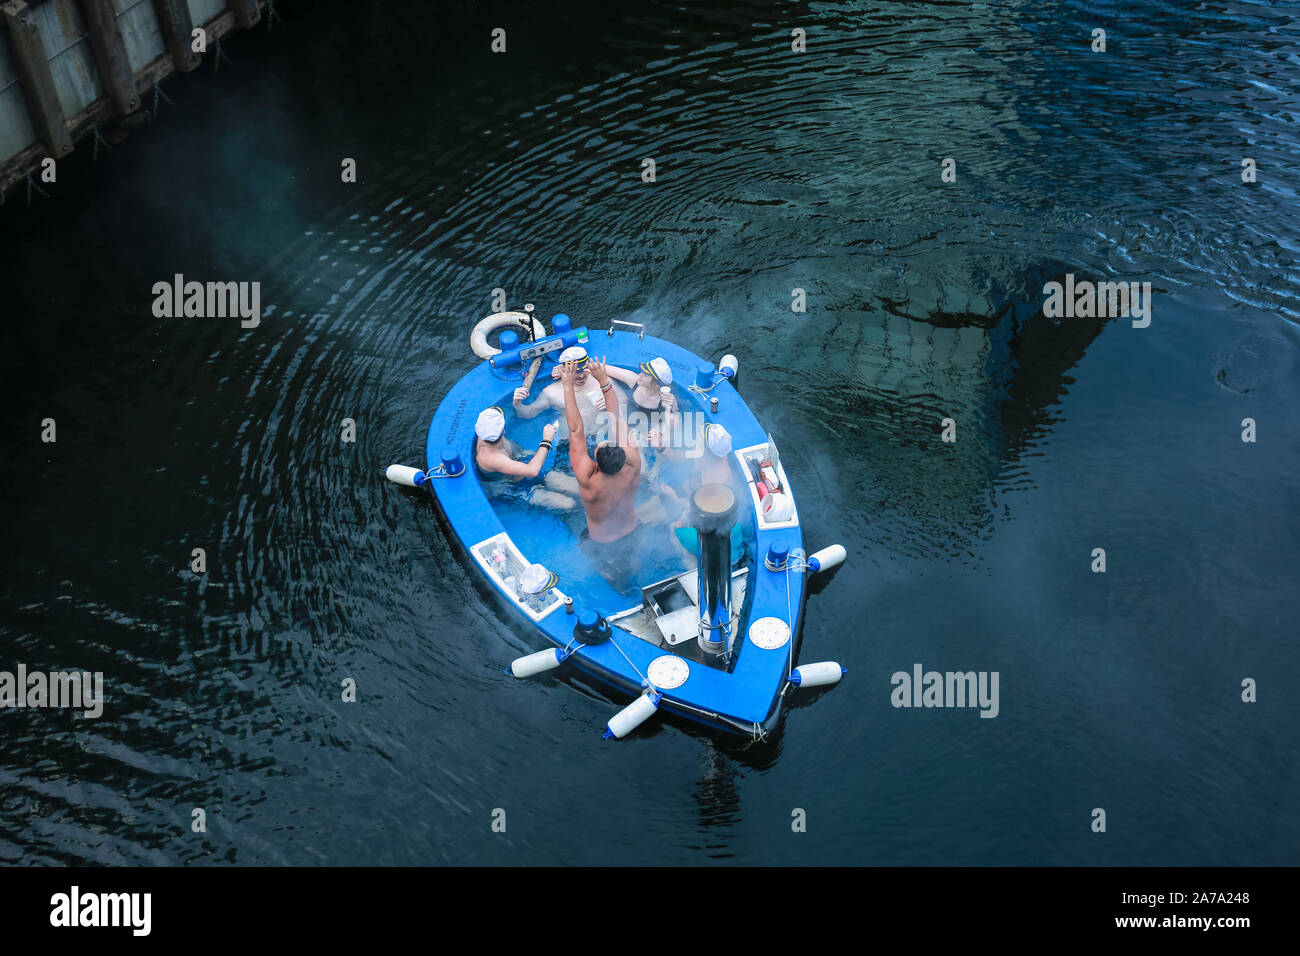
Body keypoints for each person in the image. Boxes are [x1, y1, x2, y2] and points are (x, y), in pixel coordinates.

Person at [560, 356, 643, 582]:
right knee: (630, 564)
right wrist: (604, 381)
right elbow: (615, 417)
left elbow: (575, 429)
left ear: (596, 460)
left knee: (606, 567)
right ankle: (628, 573)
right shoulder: (634, 462)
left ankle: (610, 575)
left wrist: (566, 386)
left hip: (601, 540)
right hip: (632, 530)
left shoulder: (587, 477)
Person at [473, 406, 578, 510]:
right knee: (568, 504)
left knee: (577, 487)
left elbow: (495, 410)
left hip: (521, 465)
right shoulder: (491, 457)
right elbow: (532, 471)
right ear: (503, 431)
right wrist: (547, 440)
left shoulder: (487, 432)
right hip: (516, 487)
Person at [514, 345, 608, 434]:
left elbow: (622, 402)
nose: (581, 376)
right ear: (563, 369)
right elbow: (527, 414)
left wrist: (608, 402)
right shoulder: (552, 392)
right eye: (575, 371)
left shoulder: (599, 380)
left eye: (583, 369)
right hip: (569, 441)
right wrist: (517, 403)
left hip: (600, 434)